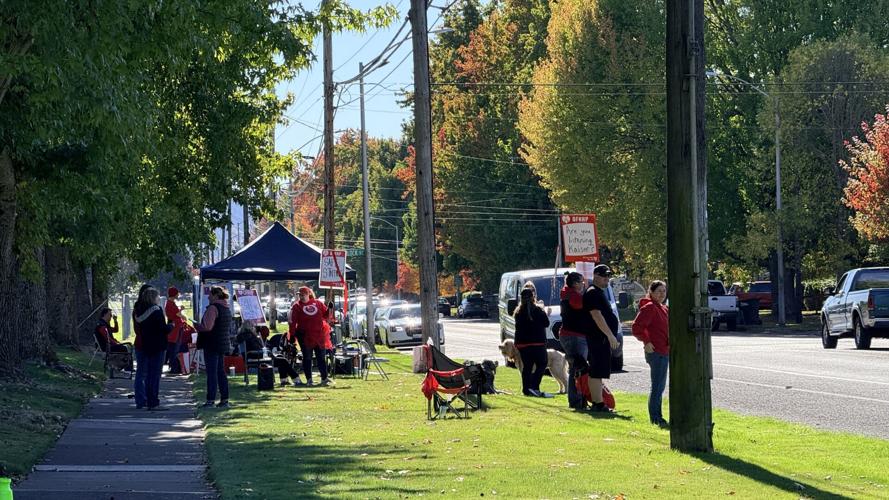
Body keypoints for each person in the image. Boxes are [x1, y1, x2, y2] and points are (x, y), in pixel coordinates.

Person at [583, 264, 621, 413]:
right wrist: (610, 335)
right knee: (596, 370)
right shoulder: (592, 292)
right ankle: (598, 403)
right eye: (604, 276)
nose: (607, 279)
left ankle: (599, 402)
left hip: (601, 338)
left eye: (608, 276)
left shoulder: (599, 292)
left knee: (599, 371)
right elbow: (596, 315)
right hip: (597, 337)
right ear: (596, 276)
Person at [632, 280, 669, 427]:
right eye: (659, 291)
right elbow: (637, 327)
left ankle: (658, 416)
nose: (662, 294)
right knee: (657, 387)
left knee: (660, 386)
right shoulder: (649, 307)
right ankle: (656, 418)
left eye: (664, 291)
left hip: (664, 350)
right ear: (651, 292)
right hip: (656, 351)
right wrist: (646, 342)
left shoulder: (663, 308)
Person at [133, 287, 172, 411]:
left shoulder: (139, 311)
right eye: (157, 296)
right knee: (155, 375)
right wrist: (171, 326)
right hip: (158, 345)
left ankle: (145, 400)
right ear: (153, 298)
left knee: (146, 374)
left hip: (145, 344)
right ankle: (153, 401)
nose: (159, 298)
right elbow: (162, 328)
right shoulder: (156, 310)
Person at [196, 285, 233, 408]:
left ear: (216, 295)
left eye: (210, 294)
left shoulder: (213, 308)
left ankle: (210, 400)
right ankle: (224, 399)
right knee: (221, 372)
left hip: (211, 343)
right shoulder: (226, 308)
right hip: (222, 343)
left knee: (212, 373)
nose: (208, 296)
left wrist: (197, 326)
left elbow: (207, 327)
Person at [288, 286, 332, 386]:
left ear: (309, 294)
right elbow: (292, 322)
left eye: (303, 294)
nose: (301, 297)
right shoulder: (296, 306)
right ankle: (309, 380)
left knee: (321, 357)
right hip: (304, 336)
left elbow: (326, 316)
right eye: (300, 295)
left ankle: (324, 378)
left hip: (319, 335)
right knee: (307, 357)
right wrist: (292, 335)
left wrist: (330, 308)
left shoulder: (318, 303)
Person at [559, 272, 590, 410]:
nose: (583, 284)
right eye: (581, 282)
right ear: (575, 283)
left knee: (575, 367)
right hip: (574, 335)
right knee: (578, 368)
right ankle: (576, 400)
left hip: (570, 334)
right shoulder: (573, 296)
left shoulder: (567, 294)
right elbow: (584, 306)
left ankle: (578, 398)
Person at [513, 287, 552, 397]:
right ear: (533, 297)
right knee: (542, 364)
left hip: (523, 344)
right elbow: (546, 323)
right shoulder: (538, 310)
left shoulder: (518, 312)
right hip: (537, 343)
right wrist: (546, 313)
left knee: (527, 366)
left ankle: (526, 389)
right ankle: (534, 386)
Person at [132, 284, 153, 409]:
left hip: (139, 342)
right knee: (146, 372)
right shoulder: (149, 310)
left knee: (141, 372)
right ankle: (144, 397)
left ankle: (141, 398)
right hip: (146, 343)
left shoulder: (137, 309)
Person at [164, 287, 188, 374]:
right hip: (175, 328)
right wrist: (182, 313)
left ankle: (174, 366)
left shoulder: (171, 303)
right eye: (177, 293)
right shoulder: (170, 304)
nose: (178, 294)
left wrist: (181, 312)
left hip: (177, 327)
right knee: (174, 347)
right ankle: (174, 367)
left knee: (174, 347)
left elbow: (176, 314)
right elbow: (176, 314)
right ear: (174, 294)